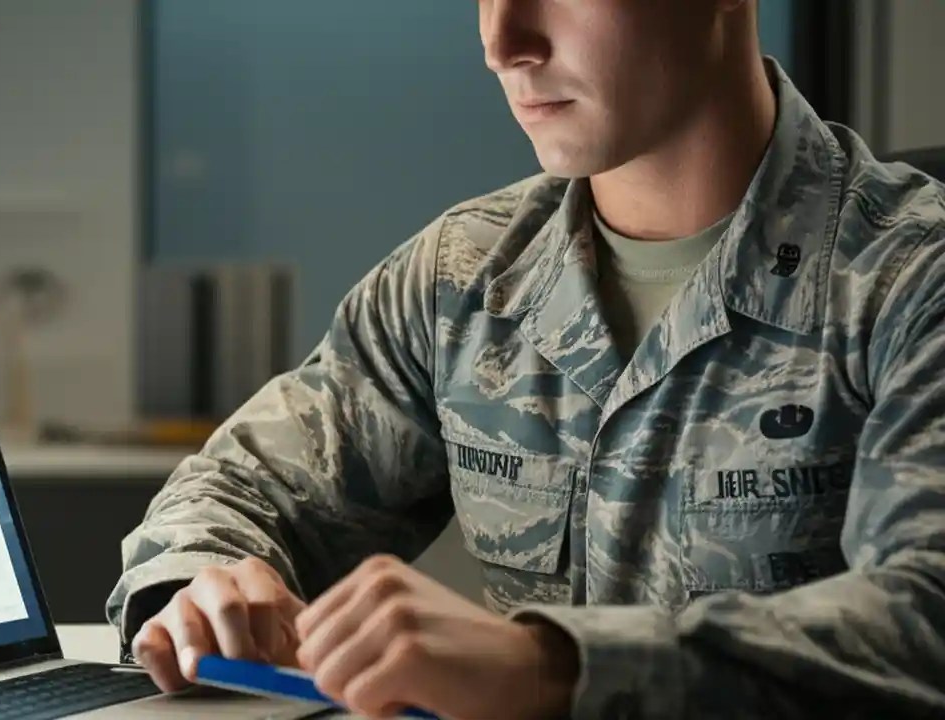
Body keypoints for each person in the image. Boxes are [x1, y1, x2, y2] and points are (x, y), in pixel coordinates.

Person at [109, 1, 945, 717]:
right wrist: (206, 589)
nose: (503, 43)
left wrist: (550, 665)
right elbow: (242, 486)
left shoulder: (912, 278)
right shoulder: (462, 278)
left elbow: (925, 616)